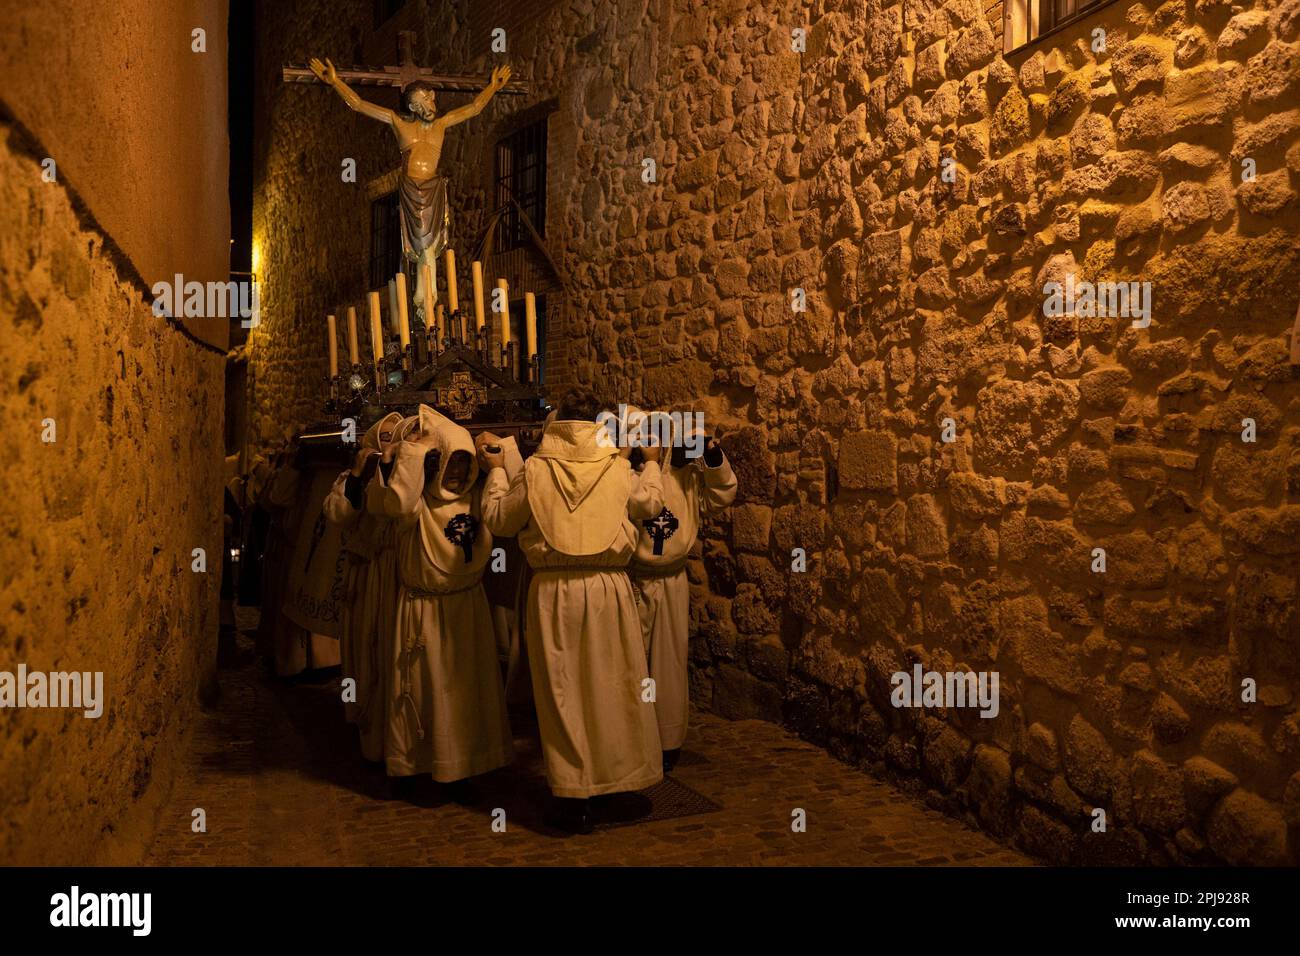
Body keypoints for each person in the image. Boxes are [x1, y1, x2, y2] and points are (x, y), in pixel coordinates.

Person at [481, 388, 665, 834]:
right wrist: (655, 462)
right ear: (598, 423)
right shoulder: (617, 466)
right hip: (609, 589)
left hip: (554, 590)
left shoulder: (536, 469)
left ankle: (573, 796)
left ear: (558, 422)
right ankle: (615, 784)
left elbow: (500, 520)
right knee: (613, 686)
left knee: (561, 692)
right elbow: (650, 504)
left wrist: (496, 475)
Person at [367, 405, 512, 801]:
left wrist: (498, 455)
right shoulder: (417, 504)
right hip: (423, 611)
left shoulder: (481, 496)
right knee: (425, 692)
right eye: (450, 462)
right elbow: (394, 502)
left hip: (467, 608)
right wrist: (413, 454)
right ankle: (419, 767)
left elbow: (516, 485)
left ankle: (465, 766)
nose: (457, 473)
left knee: (465, 693)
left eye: (465, 464)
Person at [629, 414, 736, 772]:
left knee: (668, 660)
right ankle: (633, 736)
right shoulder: (630, 475)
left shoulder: (685, 475)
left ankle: (667, 738)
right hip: (633, 579)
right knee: (632, 660)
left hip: (672, 579)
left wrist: (712, 457)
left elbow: (720, 495)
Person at [322, 412, 404, 761]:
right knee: (362, 651)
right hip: (365, 572)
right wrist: (358, 473)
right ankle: (366, 730)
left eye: (393, 436)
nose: (386, 443)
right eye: (381, 436)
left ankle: (396, 735)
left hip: (396, 575)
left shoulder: (407, 477)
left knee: (392, 655)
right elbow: (338, 514)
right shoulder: (351, 477)